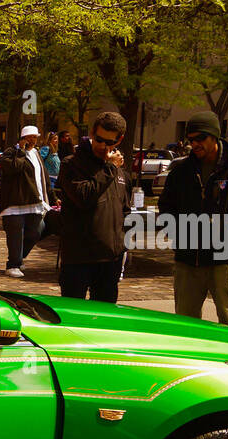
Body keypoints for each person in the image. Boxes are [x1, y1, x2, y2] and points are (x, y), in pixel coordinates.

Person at [157, 110, 228, 328]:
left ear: (214, 136)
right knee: (185, 326)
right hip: (188, 260)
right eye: (191, 139)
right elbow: (166, 206)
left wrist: (226, 232)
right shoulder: (181, 170)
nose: (195, 144)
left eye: (201, 138)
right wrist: (178, 232)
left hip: (223, 260)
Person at [57, 111, 129, 302]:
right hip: (78, 259)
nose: (103, 146)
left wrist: (121, 246)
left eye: (110, 142)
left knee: (105, 316)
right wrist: (110, 168)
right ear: (91, 133)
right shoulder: (71, 164)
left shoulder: (118, 170)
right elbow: (83, 197)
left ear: (119, 140)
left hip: (110, 259)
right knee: (74, 315)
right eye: (99, 139)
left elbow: (124, 209)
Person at [0, 124, 56, 278]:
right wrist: (21, 151)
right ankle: (13, 265)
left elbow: (43, 178)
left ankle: (18, 258)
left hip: (34, 202)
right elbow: (14, 167)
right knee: (15, 234)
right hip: (15, 203)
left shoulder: (36, 153)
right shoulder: (11, 153)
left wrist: (53, 197)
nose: (33, 140)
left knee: (37, 231)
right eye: (30, 137)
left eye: (35, 137)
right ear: (22, 138)